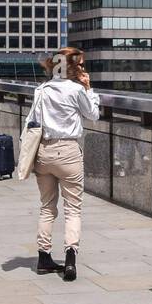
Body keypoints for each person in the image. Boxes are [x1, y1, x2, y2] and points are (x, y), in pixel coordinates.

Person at [26, 46, 100, 283]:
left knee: (47, 207)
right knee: (73, 209)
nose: (83, 68)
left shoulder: (42, 90)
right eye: (80, 65)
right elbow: (93, 114)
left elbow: (32, 121)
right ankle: (70, 259)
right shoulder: (77, 90)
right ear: (71, 66)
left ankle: (43, 256)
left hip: (44, 151)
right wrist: (89, 89)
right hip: (68, 151)